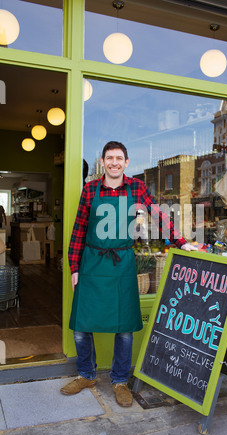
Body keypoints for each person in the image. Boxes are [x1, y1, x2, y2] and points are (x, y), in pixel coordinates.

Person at [61, 141, 197, 406]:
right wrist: (74, 267)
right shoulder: (90, 189)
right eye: (109, 158)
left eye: (119, 158)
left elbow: (158, 214)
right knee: (81, 325)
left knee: (124, 329)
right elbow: (78, 231)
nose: (114, 162)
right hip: (91, 262)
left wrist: (180, 241)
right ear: (102, 161)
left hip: (122, 263)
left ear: (126, 162)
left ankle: (120, 380)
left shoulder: (137, 188)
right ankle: (86, 374)